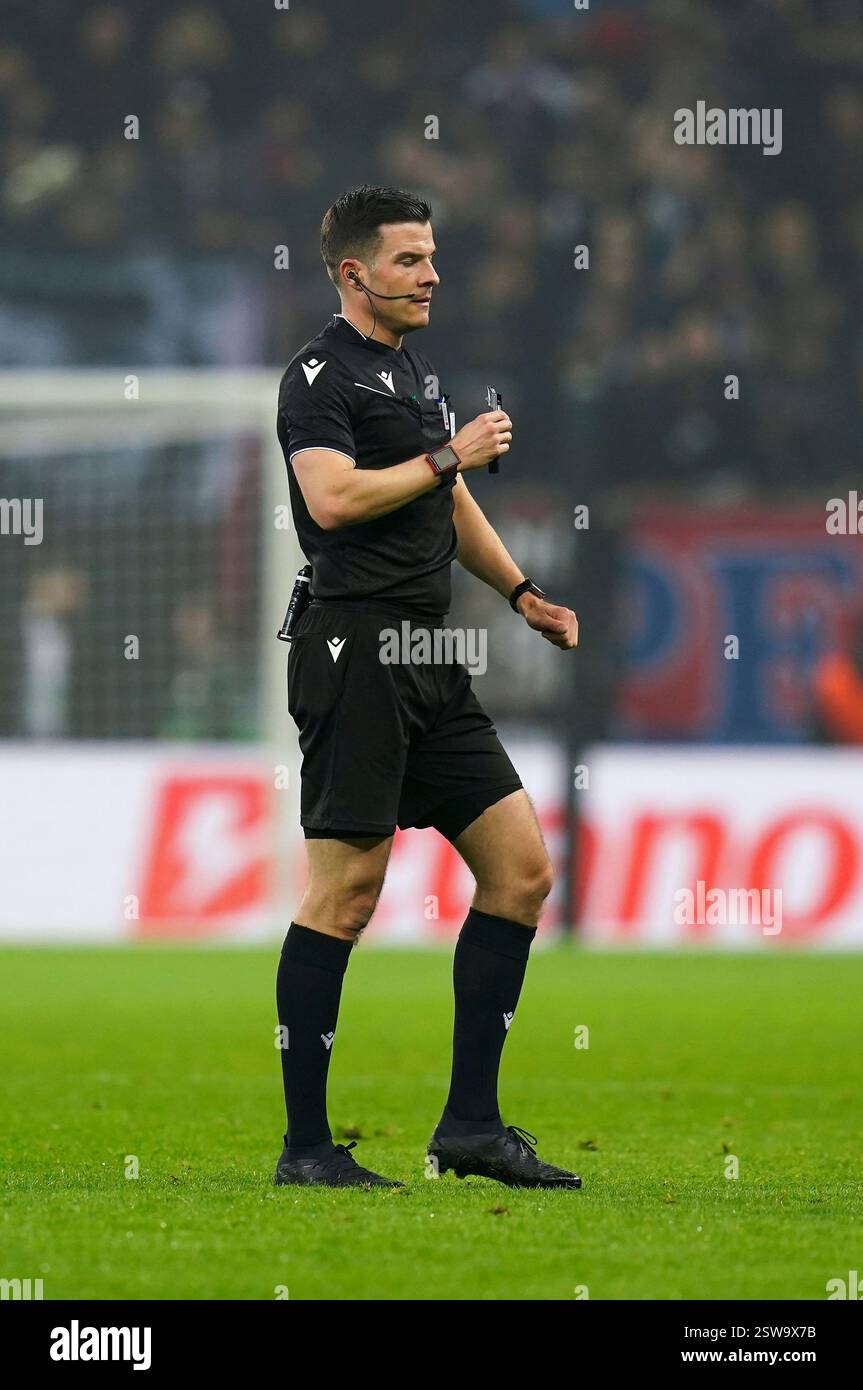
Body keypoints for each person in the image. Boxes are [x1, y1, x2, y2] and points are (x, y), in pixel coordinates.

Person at [274, 185, 580, 1189]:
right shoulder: (316, 376)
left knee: (521, 871)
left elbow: (443, 503)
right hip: (351, 647)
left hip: (425, 654)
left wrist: (522, 591)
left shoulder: (407, 371)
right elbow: (332, 496)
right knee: (346, 893)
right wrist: (448, 451)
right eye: (409, 260)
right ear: (353, 273)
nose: (432, 274)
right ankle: (307, 1149)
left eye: (433, 256)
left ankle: (470, 1127)